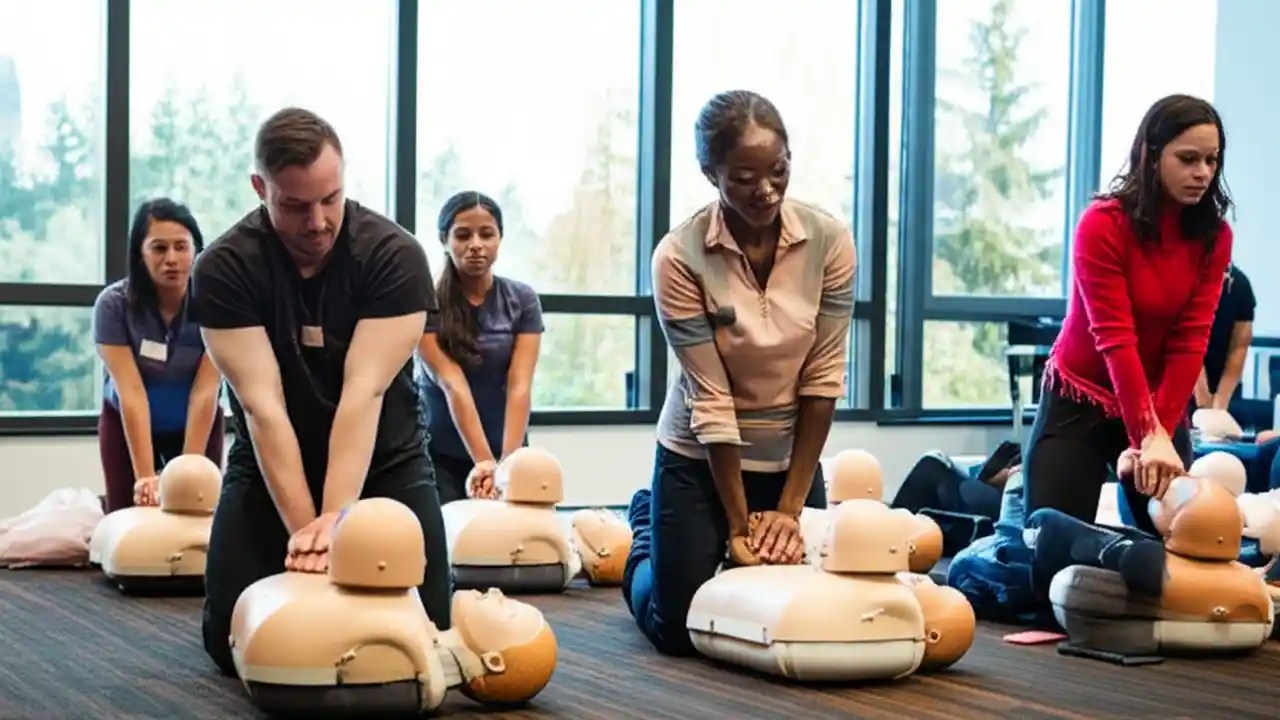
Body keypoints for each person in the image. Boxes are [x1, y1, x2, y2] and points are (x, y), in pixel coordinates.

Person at [189, 107, 450, 676]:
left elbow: (365, 394)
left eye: (330, 199)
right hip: (270, 463)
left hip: (385, 461)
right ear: (260, 188)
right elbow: (262, 407)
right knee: (227, 641)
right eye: (295, 205)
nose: (317, 222)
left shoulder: (394, 257)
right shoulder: (225, 268)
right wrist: (312, 540)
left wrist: (339, 527)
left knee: (429, 633)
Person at [622, 90, 856, 656]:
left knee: (799, 607)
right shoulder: (679, 256)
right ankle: (646, 529)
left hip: (787, 456)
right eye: (745, 177)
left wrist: (789, 508)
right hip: (698, 455)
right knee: (680, 627)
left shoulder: (829, 242)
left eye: (779, 170)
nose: (767, 190)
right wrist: (738, 526)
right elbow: (712, 400)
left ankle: (701, 528)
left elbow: (822, 381)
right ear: (711, 172)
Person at [1023, 94, 1233, 535]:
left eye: (1212, 160)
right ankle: (1008, 502)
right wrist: (1148, 435)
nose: (1203, 173)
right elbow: (1115, 339)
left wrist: (1156, 433)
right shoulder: (1102, 224)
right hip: (1080, 397)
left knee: (1176, 546)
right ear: (1151, 156)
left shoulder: (1214, 236)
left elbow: (1191, 339)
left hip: (1159, 403)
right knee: (1048, 544)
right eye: (1188, 159)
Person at [92, 198, 224, 513]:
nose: (171, 259)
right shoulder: (112, 306)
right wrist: (146, 478)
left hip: (197, 418)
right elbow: (131, 392)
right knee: (128, 513)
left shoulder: (217, 304)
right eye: (159, 248)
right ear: (140, 253)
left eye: (181, 246)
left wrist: (186, 475)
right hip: (128, 419)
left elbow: (206, 391)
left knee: (196, 508)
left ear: (197, 250)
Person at [415, 191, 543, 503]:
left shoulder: (523, 299)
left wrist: (507, 466)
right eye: (463, 235)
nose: (476, 244)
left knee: (513, 543)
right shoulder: (425, 303)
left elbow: (519, 385)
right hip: (440, 454)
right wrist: (484, 464)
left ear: (500, 238)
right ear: (445, 240)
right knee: (451, 543)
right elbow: (452, 384)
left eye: (487, 234)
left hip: (508, 450)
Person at [1194, 263, 1254, 417]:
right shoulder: (1185, 282)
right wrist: (1203, 400)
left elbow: (1240, 345)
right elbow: (1185, 343)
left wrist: (1221, 402)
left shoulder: (1240, 285)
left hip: (1226, 381)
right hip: (1184, 379)